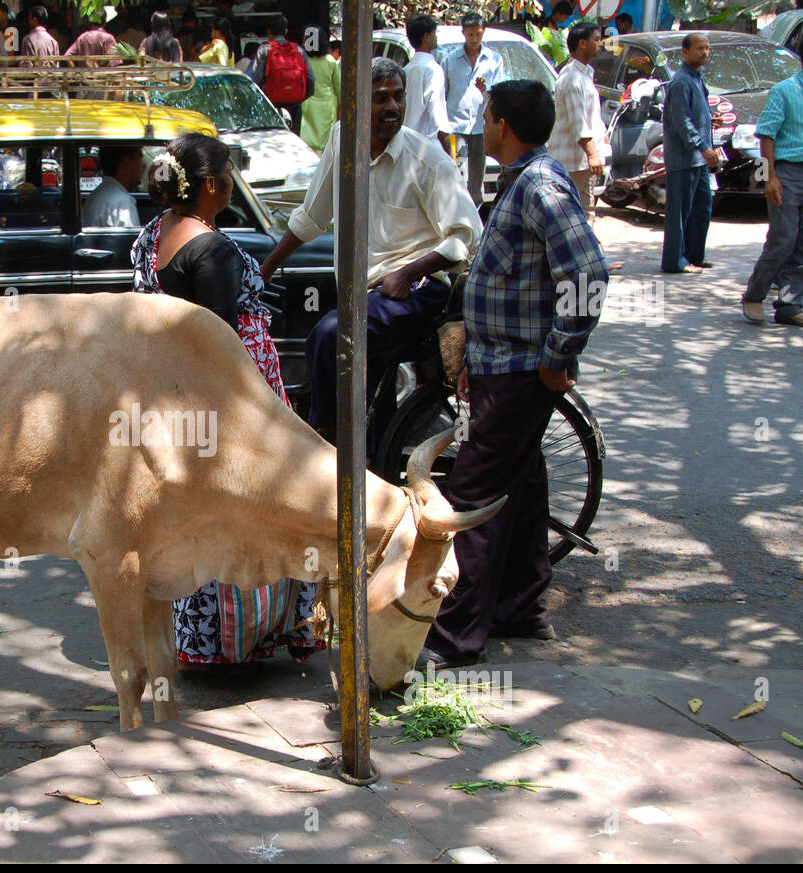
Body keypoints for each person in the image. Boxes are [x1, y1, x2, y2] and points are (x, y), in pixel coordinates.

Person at [421, 80, 607, 668]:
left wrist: (558, 353)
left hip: (523, 369)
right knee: (521, 488)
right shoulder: (520, 182)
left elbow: (587, 271)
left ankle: (452, 640)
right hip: (500, 364)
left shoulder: (541, 186)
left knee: (472, 496)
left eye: (488, 115)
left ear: (501, 123)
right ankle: (521, 607)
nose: (484, 122)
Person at [131, 133, 321, 667]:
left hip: (174, 398)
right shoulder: (210, 250)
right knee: (250, 504)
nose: (235, 182)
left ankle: (199, 639)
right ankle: (241, 636)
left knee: (195, 512)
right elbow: (223, 346)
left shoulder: (155, 235)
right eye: (231, 172)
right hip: (230, 400)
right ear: (211, 184)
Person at [259, 57, 481, 454]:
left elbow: (465, 237)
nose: (393, 106)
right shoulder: (343, 140)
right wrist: (268, 267)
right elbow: (313, 215)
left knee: (331, 334)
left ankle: (324, 440)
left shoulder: (425, 159)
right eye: (381, 98)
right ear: (356, 105)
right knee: (366, 394)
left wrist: (409, 273)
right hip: (369, 297)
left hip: (418, 292)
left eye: (398, 97)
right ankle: (373, 475)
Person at [741, 32, 803, 328]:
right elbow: (766, 134)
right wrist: (770, 177)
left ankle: (789, 305)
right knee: (783, 240)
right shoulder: (785, 90)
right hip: (786, 172)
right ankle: (754, 295)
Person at [661, 33, 717, 274]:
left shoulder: (697, 78)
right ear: (685, 52)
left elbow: (693, 115)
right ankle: (675, 261)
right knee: (680, 213)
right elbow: (681, 121)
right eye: (699, 48)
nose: (704, 52)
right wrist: (704, 147)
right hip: (685, 158)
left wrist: (710, 120)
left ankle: (694, 256)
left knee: (702, 208)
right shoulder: (681, 81)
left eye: (707, 48)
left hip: (698, 160)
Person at [548, 21, 605, 225]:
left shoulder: (584, 75)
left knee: (585, 212)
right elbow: (578, 123)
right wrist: (593, 154)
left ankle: (584, 255)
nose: (600, 44)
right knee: (571, 215)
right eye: (596, 40)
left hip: (582, 161)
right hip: (573, 161)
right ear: (582, 43)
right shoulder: (573, 78)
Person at [445, 13, 504, 205]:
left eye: (478, 35)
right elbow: (442, 94)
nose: (474, 39)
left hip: (481, 128)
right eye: (470, 35)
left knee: (476, 182)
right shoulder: (450, 61)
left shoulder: (494, 60)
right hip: (456, 129)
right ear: (463, 34)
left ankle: (475, 223)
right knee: (458, 179)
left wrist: (485, 88)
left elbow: (500, 92)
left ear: (483, 33)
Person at [252, 14, 315, 136]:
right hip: (295, 104)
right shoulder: (299, 50)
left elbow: (257, 80)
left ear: (268, 31)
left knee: (273, 138)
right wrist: (299, 97)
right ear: (286, 31)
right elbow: (311, 79)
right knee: (294, 138)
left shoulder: (264, 49)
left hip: (272, 104)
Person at [402, 14, 453, 155]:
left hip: (405, 145)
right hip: (426, 148)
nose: (436, 37)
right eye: (433, 33)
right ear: (426, 37)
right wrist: (448, 153)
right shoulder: (432, 69)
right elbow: (437, 114)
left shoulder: (406, 70)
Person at [300, 24, 340, 154]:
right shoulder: (330, 61)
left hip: (306, 104)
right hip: (327, 107)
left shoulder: (302, 59)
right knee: (325, 146)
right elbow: (340, 88)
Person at [83, 145, 143, 227]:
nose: (143, 166)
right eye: (139, 159)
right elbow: (131, 239)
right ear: (126, 163)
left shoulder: (95, 195)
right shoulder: (122, 202)